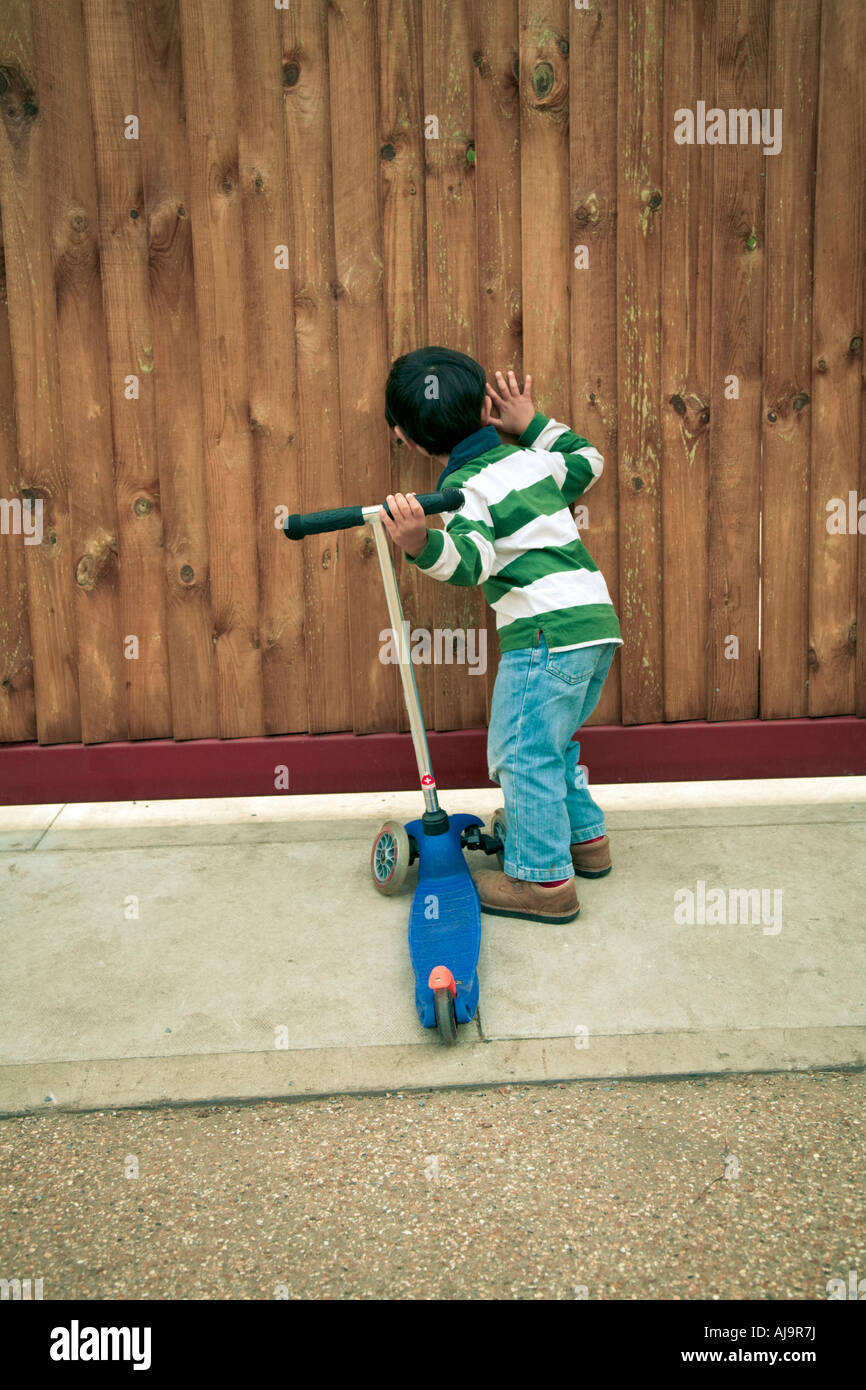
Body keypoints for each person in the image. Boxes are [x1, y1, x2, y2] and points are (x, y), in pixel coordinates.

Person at [381, 346, 622, 924]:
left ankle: (542, 883)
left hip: (543, 635)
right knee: (554, 742)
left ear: (406, 439)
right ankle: (585, 840)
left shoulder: (466, 489)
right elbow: (587, 460)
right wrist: (530, 423)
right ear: (488, 403)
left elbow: (471, 562)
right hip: (593, 625)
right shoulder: (531, 461)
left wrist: (419, 543)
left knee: (523, 754)